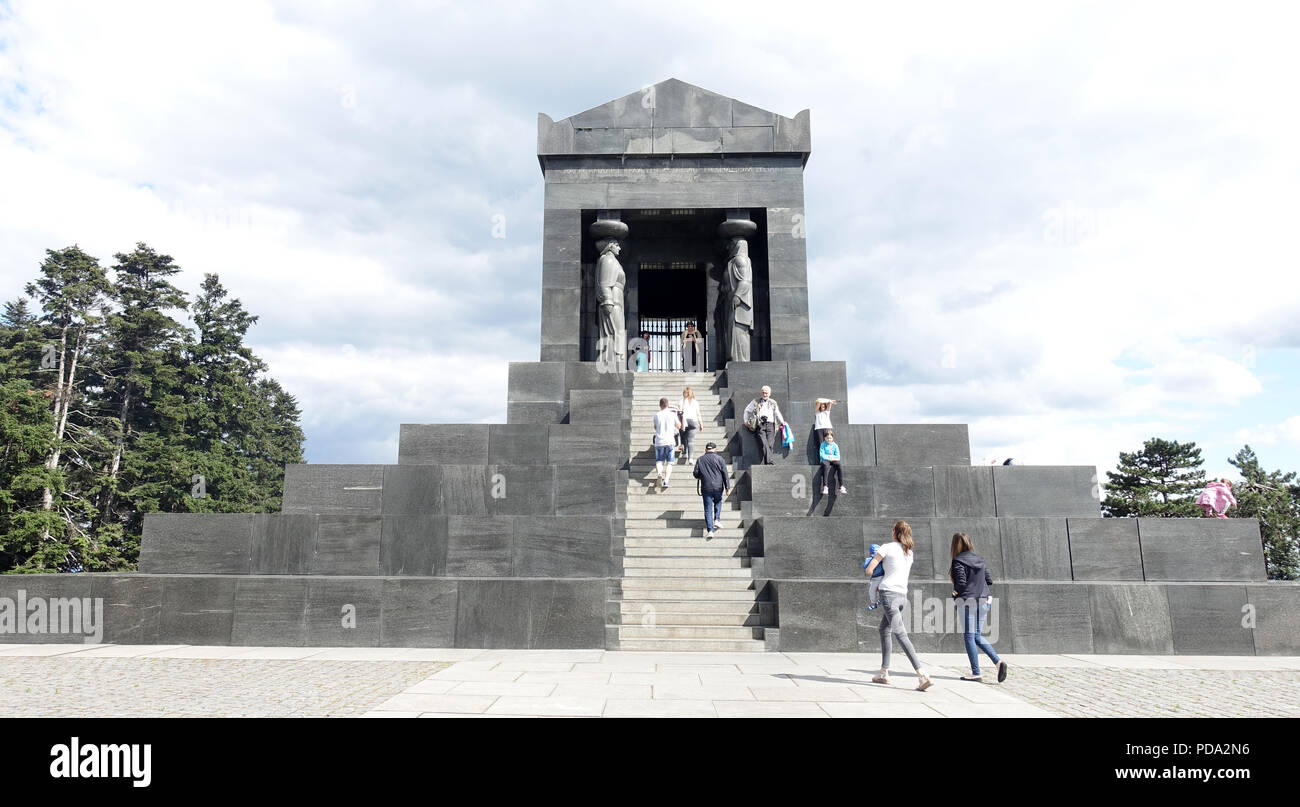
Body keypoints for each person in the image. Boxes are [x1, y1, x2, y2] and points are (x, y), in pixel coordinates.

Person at [863, 521, 932, 691]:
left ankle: (922, 674)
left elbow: (869, 570)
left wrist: (874, 566)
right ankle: (884, 673)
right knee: (884, 629)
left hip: (889, 594)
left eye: (892, 528)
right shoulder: (909, 552)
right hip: (902, 596)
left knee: (900, 634)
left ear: (895, 532)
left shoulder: (886, 547)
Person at [950, 532, 1008, 683]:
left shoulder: (958, 561)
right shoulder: (979, 559)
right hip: (984, 601)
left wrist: (955, 593)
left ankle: (976, 672)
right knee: (976, 635)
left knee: (969, 637)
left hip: (967, 601)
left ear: (955, 545)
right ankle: (998, 663)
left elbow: (961, 582)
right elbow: (989, 580)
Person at [692, 441, 731, 539]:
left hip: (706, 487)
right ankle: (717, 519)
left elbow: (695, 474)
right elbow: (725, 474)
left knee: (708, 509)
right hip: (718, 486)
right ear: (715, 450)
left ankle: (710, 531)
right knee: (718, 502)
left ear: (706, 450)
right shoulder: (720, 459)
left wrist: (702, 475)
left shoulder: (700, 459)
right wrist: (727, 487)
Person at [743, 386, 786, 465]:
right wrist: (745, 421)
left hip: (771, 425)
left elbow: (777, 412)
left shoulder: (773, 402)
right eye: (763, 392)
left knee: (770, 444)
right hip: (760, 425)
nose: (764, 394)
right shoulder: (756, 401)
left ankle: (767, 462)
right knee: (764, 443)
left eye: (766, 393)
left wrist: (782, 421)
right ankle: (769, 462)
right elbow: (747, 410)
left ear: (769, 393)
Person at [652, 397, 680, 489]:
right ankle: (666, 480)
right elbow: (678, 425)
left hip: (659, 441)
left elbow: (655, 427)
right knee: (670, 463)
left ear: (660, 405)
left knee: (659, 461)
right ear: (668, 405)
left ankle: (659, 473)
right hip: (670, 441)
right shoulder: (672, 414)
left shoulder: (656, 415)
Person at [677, 386, 702, 463]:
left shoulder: (681, 401)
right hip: (693, 422)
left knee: (683, 437)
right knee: (691, 440)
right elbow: (698, 414)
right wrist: (701, 424)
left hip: (684, 421)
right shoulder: (695, 402)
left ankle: (684, 453)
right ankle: (690, 458)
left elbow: (679, 413)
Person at [819, 430, 846, 495]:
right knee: (825, 466)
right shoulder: (822, 445)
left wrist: (832, 458)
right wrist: (830, 457)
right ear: (825, 438)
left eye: (830, 438)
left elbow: (838, 456)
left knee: (839, 465)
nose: (829, 439)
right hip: (825, 460)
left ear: (832, 438)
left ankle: (841, 486)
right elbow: (822, 455)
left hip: (833, 460)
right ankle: (825, 486)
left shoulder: (835, 445)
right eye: (827, 438)